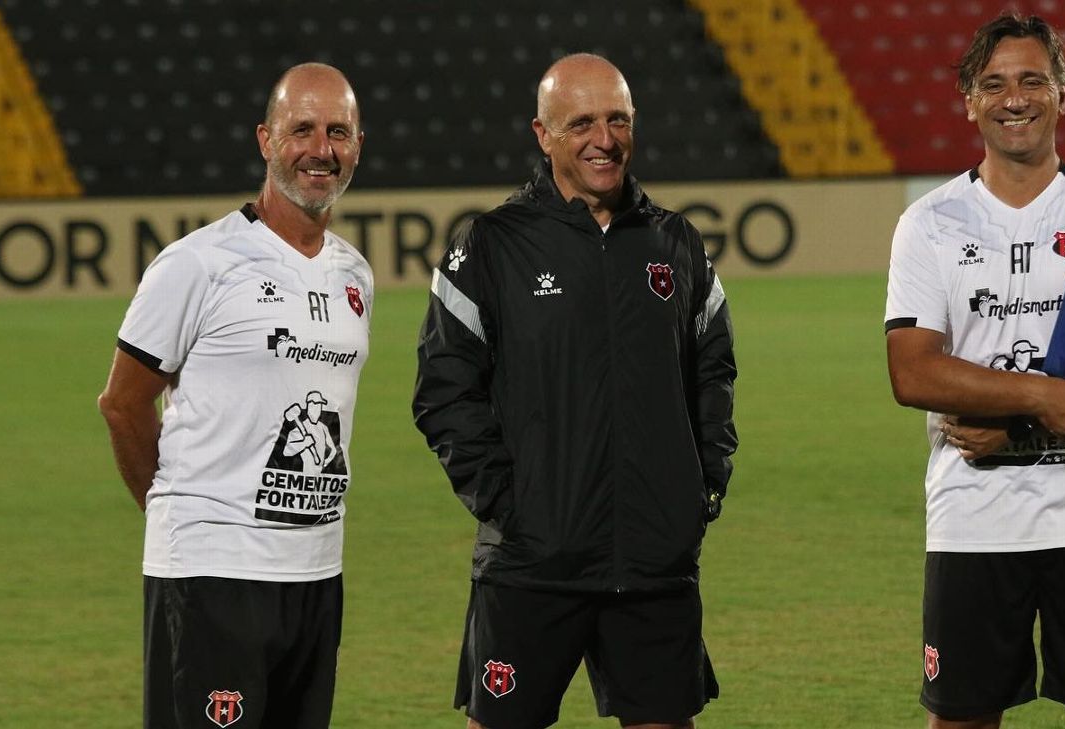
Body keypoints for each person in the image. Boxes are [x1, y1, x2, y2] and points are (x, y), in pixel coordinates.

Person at [412, 53, 736, 729]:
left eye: (619, 119)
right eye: (582, 121)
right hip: (535, 561)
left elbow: (713, 371)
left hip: (653, 559)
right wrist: (508, 503)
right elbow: (443, 389)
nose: (605, 138)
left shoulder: (674, 241)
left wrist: (699, 485)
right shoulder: (492, 244)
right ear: (543, 133)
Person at [884, 13, 1065, 729]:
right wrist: (1045, 395)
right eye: (995, 84)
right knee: (963, 719)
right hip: (973, 524)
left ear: (1062, 92)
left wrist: (1009, 421)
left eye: (1032, 80)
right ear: (970, 102)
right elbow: (913, 372)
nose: (1015, 98)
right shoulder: (930, 222)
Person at [97, 62, 371, 729]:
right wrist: (181, 515)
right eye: (301, 128)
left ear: (357, 143)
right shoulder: (198, 263)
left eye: (338, 130)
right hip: (211, 580)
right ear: (265, 140)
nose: (321, 148)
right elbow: (123, 402)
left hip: (315, 574)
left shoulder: (353, 273)